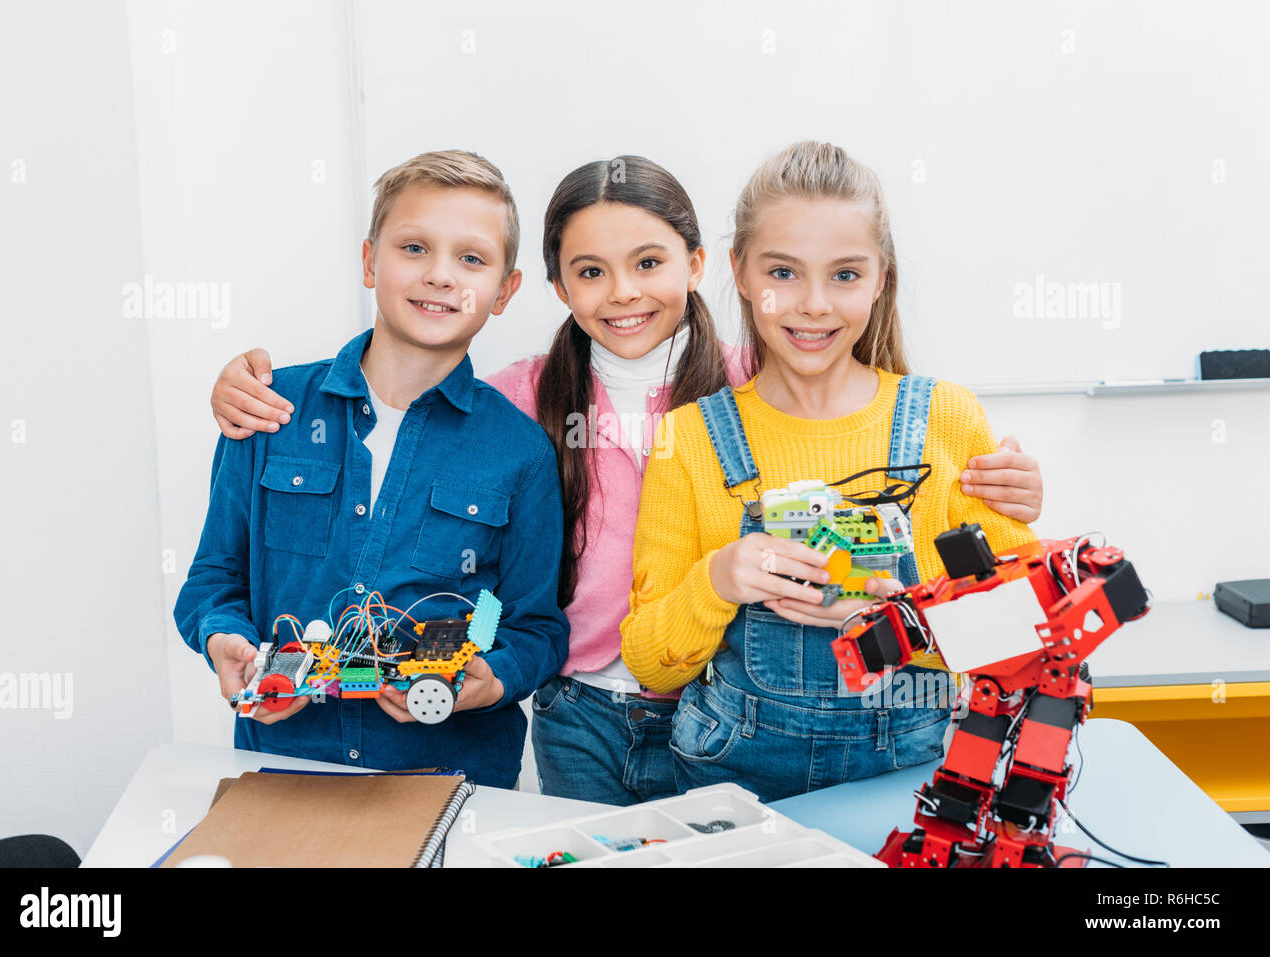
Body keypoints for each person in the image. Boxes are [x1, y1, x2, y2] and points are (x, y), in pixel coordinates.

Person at [206, 155, 1045, 806]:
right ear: (551, 285)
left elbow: (880, 448)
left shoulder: (762, 375)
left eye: (648, 261)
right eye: (591, 271)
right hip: (579, 709)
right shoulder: (517, 402)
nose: (623, 293)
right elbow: (407, 416)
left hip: (714, 707)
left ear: (698, 262)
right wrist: (251, 384)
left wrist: (1004, 489)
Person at [620, 141, 1040, 803]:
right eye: (783, 272)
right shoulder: (691, 438)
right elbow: (649, 659)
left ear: (881, 278)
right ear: (739, 271)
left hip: (905, 787)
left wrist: (897, 622)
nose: (813, 303)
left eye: (845, 275)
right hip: (733, 795)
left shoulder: (946, 419)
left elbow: (1022, 639)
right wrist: (719, 576)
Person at [174, 150, 568, 788]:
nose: (440, 275)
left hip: (449, 782)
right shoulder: (268, 411)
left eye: (471, 258)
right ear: (369, 262)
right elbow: (213, 582)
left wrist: (491, 677)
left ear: (504, 290)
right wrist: (225, 640)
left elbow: (535, 625)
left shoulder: (519, 450)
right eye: (414, 247)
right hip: (285, 771)